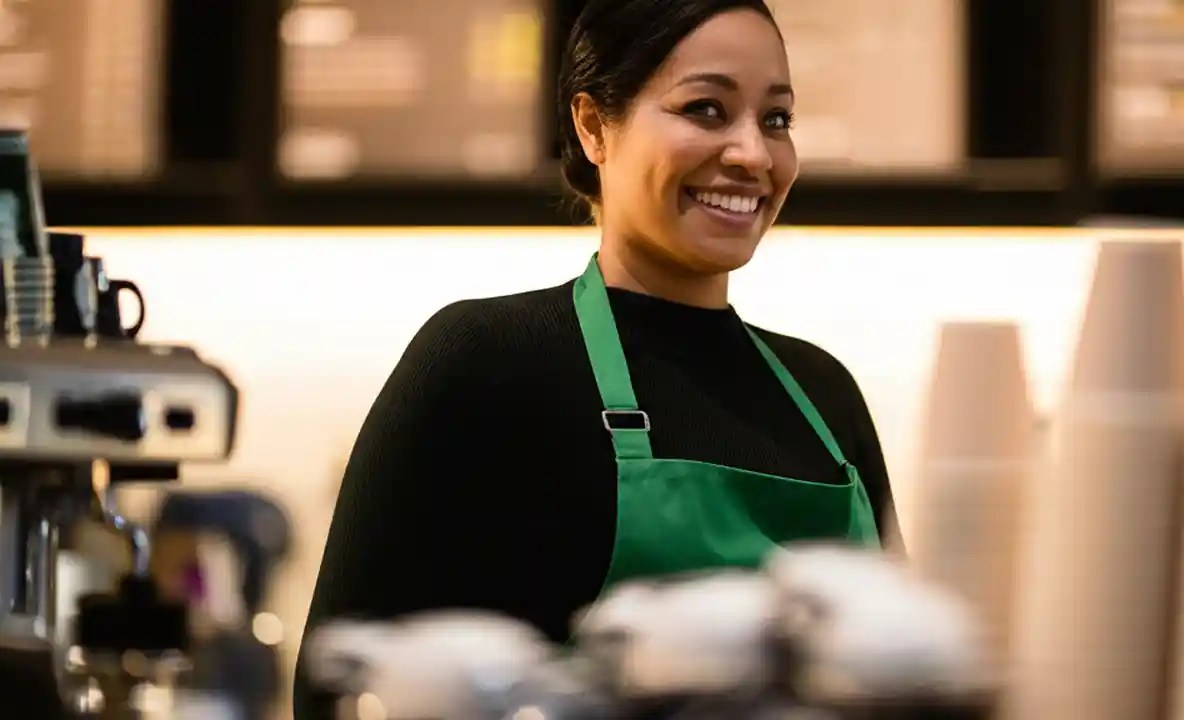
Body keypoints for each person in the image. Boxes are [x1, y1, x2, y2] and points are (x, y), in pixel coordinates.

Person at [295, 0, 898, 714]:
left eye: (776, 119)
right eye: (706, 109)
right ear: (592, 127)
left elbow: (901, 677)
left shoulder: (824, 396)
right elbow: (337, 688)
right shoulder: (487, 360)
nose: (754, 155)